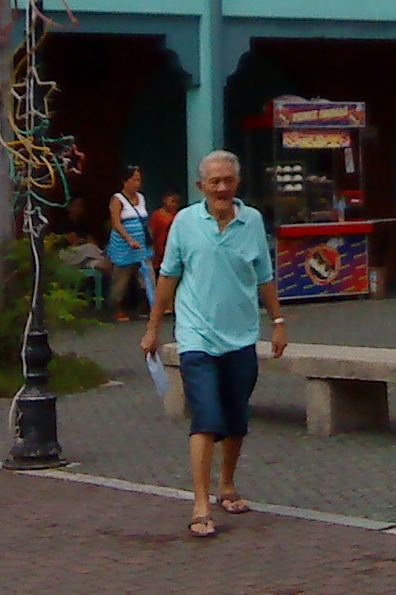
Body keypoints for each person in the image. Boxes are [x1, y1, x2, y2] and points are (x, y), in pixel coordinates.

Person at [142, 151, 287, 539]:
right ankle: (201, 502)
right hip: (196, 337)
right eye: (214, 181)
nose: (221, 188)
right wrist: (153, 328)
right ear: (200, 186)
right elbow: (168, 277)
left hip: (241, 335)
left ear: (237, 183)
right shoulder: (186, 223)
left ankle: (228, 484)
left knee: (237, 415)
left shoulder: (252, 220)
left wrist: (278, 322)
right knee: (206, 416)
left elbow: (264, 275)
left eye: (228, 180)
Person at [105, 165, 153, 321]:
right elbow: (116, 222)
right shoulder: (117, 199)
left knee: (147, 275)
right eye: (134, 180)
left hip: (141, 244)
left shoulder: (141, 197)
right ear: (125, 181)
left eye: (139, 180)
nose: (137, 183)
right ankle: (116, 308)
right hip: (124, 245)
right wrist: (129, 239)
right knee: (121, 278)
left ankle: (151, 305)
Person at [149, 191, 182, 271]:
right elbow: (151, 232)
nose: (174, 205)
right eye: (172, 201)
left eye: (177, 203)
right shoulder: (157, 215)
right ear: (165, 200)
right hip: (159, 249)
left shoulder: (178, 215)